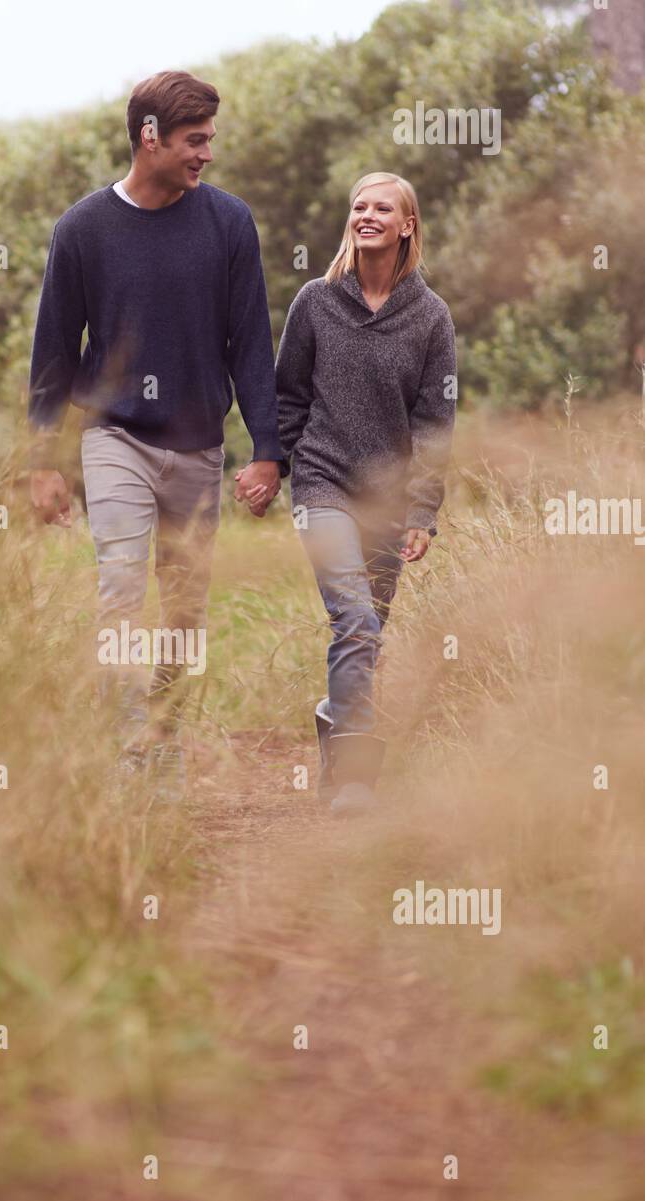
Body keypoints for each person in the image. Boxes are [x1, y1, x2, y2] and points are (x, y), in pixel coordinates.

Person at [27, 70, 285, 797]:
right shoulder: (83, 229)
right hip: (116, 439)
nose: (206, 155)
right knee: (119, 590)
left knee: (183, 611)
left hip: (200, 446)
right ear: (150, 137)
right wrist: (40, 461)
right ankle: (125, 750)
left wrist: (268, 449)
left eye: (209, 140)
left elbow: (250, 345)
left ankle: (163, 740)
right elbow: (53, 351)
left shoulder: (229, 222)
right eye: (195, 141)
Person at [266, 171, 456, 816]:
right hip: (321, 482)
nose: (366, 215)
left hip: (390, 499)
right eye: (358, 206)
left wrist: (423, 510)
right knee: (353, 618)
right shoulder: (315, 302)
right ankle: (354, 779)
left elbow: (436, 422)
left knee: (367, 631)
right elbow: (286, 392)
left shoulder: (431, 317)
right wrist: (287, 464)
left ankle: (334, 720)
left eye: (382, 208)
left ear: (407, 225)